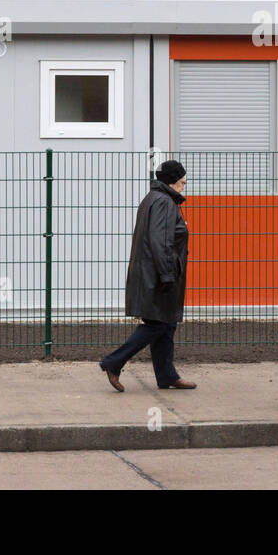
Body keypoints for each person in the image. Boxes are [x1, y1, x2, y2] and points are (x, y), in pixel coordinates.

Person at [99, 159, 196, 391]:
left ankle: (167, 375)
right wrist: (167, 275)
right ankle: (113, 362)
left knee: (166, 324)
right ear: (172, 182)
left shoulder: (155, 199)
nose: (184, 186)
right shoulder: (164, 202)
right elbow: (160, 242)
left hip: (153, 274)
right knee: (156, 325)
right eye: (182, 182)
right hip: (158, 276)